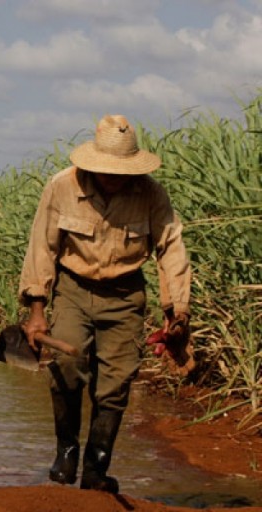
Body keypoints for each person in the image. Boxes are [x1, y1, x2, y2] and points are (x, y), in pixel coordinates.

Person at [18, 114, 191, 493]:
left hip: (126, 295)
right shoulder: (62, 186)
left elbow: (171, 248)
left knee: (114, 386)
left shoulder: (151, 194)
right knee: (66, 365)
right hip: (73, 290)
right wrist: (36, 310)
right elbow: (41, 247)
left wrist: (177, 312)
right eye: (106, 169)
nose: (113, 176)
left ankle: (96, 466)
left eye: (121, 170)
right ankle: (66, 450)